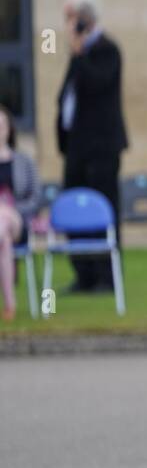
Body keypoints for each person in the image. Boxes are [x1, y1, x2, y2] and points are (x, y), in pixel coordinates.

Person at [55, 0, 128, 293]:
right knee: (74, 210)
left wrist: (79, 52)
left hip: (101, 149)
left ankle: (105, 278)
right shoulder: (79, 53)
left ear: (85, 19)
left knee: (102, 211)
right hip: (75, 149)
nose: (68, 25)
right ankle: (83, 275)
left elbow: (95, 84)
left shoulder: (107, 50)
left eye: (71, 19)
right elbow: (68, 96)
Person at [0, 104, 40, 321]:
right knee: (2, 240)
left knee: (3, 220)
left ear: (9, 129)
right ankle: (9, 305)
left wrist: (11, 209)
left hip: (17, 220)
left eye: (1, 126)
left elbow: (36, 197)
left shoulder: (24, 161)